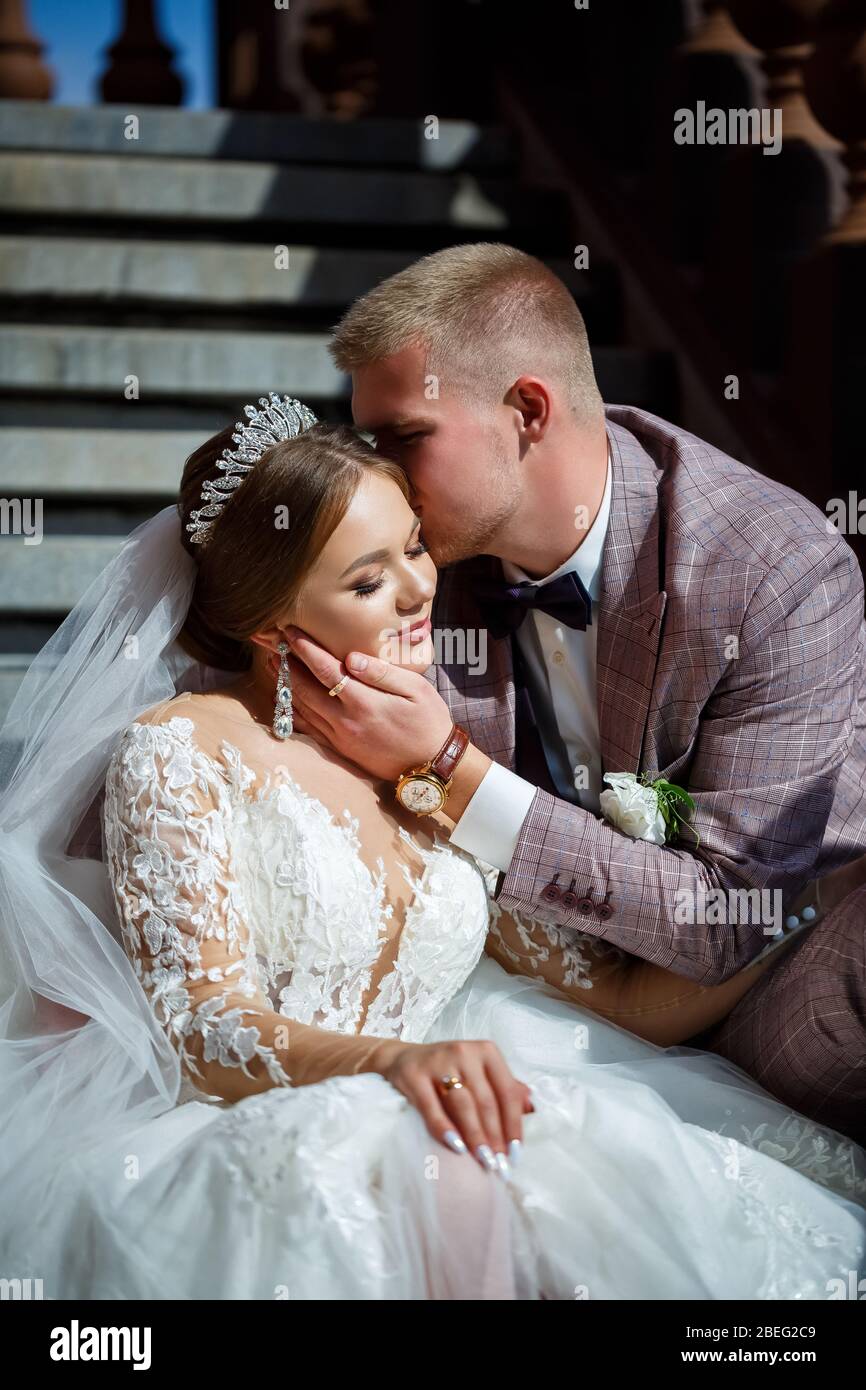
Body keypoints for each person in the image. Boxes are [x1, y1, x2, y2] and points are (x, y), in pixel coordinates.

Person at [1, 394, 863, 1301]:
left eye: (414, 546)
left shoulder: (424, 774)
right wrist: (400, 1067)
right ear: (269, 628)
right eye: (369, 581)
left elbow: (622, 1003)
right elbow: (204, 1025)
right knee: (447, 1184)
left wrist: (800, 899)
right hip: (258, 1128)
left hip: (446, 1103)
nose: (420, 590)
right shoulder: (184, 749)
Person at [273, 240, 866, 1145]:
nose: (379, 474)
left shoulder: (770, 570)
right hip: (521, 994)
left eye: (404, 437)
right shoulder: (404, 566)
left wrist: (449, 771)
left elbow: (725, 919)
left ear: (527, 410)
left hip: (764, 985)